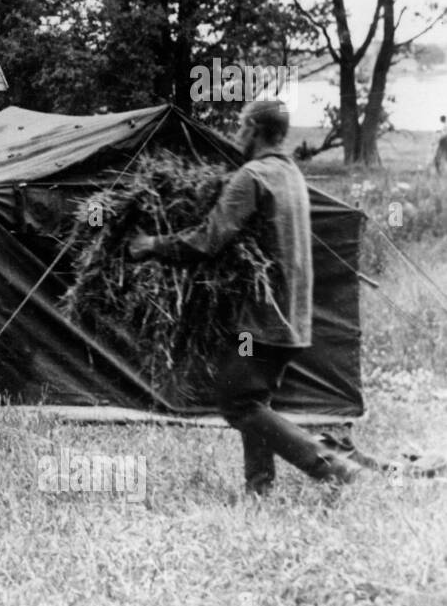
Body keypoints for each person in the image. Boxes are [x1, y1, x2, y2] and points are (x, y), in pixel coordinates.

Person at [129, 99, 437, 493]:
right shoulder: (289, 173)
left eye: (242, 127)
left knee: (236, 401)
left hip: (257, 329)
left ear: (254, 129)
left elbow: (208, 240)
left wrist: (152, 244)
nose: (238, 134)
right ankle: (259, 486)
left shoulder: (253, 176)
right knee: (252, 398)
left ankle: (334, 466)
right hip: (291, 320)